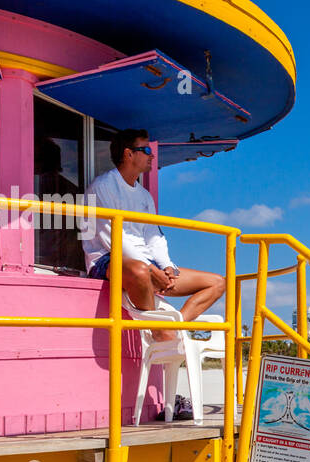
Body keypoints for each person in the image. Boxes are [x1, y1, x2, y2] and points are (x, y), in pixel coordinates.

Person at [80, 128, 226, 322]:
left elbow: (153, 237)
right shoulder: (103, 186)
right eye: (147, 150)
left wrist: (167, 267)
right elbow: (114, 240)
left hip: (146, 263)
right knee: (140, 271)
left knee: (217, 283)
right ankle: (159, 333)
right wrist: (151, 269)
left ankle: (175, 328)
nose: (152, 155)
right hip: (107, 260)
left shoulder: (144, 195)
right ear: (128, 153)